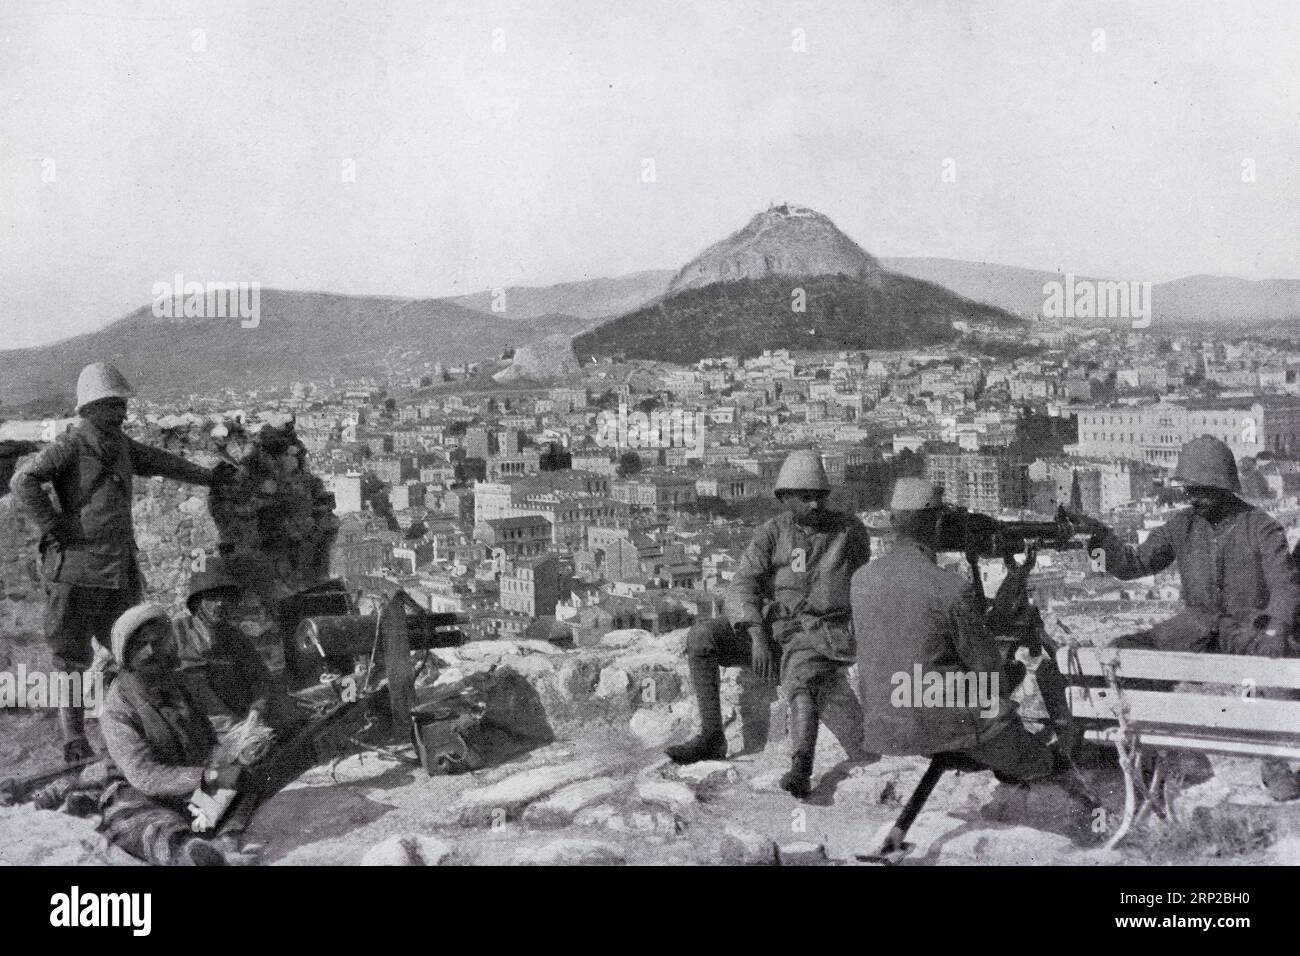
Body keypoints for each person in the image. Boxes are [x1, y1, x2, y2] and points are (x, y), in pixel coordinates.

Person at [9, 362, 235, 762]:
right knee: (70, 662)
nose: (123, 413)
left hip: (116, 574)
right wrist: (52, 525)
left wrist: (210, 479)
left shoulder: (121, 446)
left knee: (135, 654)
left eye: (122, 405)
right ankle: (73, 739)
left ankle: (144, 735)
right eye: (114, 406)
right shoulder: (71, 446)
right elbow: (22, 480)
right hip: (74, 576)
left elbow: (166, 463)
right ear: (91, 408)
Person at [1068, 434, 1300, 801]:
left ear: (1224, 488)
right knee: (1125, 653)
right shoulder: (1181, 526)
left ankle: (1274, 765)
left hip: (1246, 626)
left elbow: (1285, 589)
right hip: (1198, 624)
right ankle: (1142, 750)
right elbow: (1132, 565)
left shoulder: (1262, 527)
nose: (1193, 497)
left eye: (1201, 491)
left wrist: (1276, 627)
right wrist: (1096, 537)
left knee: (1275, 665)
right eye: (1190, 489)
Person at [852, 478, 1093, 804]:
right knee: (1043, 757)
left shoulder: (862, 580)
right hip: (946, 723)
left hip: (886, 724)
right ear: (938, 523)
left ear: (893, 521)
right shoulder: (950, 589)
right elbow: (988, 670)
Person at [666, 450, 872, 798]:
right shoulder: (772, 533)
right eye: (805, 498)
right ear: (785, 498)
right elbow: (743, 583)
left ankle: (801, 766)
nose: (815, 505)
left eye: (819, 497)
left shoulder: (848, 531)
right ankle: (712, 735)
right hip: (771, 627)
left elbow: (865, 579)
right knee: (702, 637)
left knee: (802, 678)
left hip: (818, 632)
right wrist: (756, 634)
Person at [97, 604, 244, 866]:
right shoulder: (117, 708)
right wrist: (202, 776)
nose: (152, 651)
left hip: (189, 788)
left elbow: (220, 725)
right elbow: (144, 776)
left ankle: (223, 842)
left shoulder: (181, 684)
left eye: (158, 641)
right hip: (142, 793)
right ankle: (188, 855)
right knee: (141, 823)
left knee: (239, 779)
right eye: (141, 645)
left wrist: (240, 742)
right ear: (126, 655)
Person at [173, 561, 299, 733]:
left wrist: (256, 711)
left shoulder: (235, 637)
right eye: (211, 597)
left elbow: (261, 680)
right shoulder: (178, 633)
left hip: (243, 724)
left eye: (224, 597)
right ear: (198, 602)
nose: (219, 604)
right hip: (202, 728)